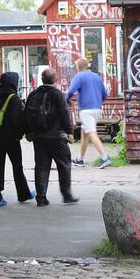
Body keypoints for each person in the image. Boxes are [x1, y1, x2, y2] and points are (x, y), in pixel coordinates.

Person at [24, 68, 80, 206]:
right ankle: (66, 194)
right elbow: (64, 113)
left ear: (42, 79)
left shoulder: (33, 94)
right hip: (57, 137)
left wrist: (28, 132)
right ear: (54, 79)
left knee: (41, 167)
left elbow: (26, 114)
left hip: (39, 138)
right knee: (64, 165)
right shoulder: (57, 94)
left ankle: (41, 198)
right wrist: (70, 132)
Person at [0, 71, 34, 206]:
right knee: (17, 167)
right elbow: (17, 121)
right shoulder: (13, 98)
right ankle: (23, 194)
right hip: (11, 140)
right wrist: (18, 136)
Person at [68, 58, 110, 169]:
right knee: (85, 133)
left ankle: (105, 158)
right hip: (97, 108)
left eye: (76, 67)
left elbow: (71, 90)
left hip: (86, 109)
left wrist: (66, 100)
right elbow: (104, 94)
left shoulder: (79, 76)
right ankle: (80, 159)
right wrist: (97, 101)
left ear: (80, 67)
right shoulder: (97, 77)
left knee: (91, 132)